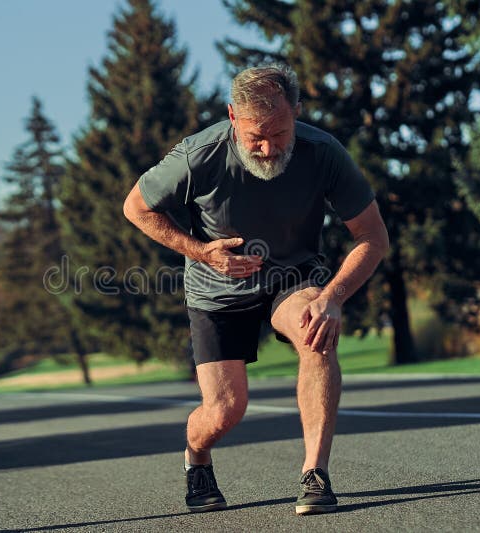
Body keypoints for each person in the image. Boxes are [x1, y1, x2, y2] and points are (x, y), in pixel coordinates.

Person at [123, 63, 388, 515]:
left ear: (297, 113)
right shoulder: (198, 156)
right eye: (255, 137)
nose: (267, 148)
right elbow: (136, 207)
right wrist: (203, 252)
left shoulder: (323, 152)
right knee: (225, 411)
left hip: (292, 275)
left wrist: (332, 298)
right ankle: (197, 455)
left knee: (316, 333)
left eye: (279, 134)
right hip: (216, 288)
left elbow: (373, 237)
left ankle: (315, 473)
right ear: (232, 117)